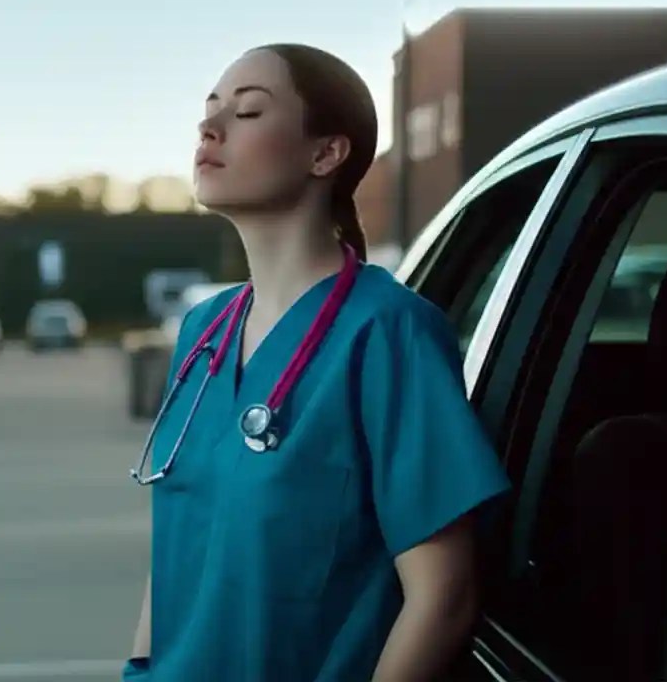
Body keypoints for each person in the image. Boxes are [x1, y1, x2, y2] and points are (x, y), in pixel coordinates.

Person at [122, 44, 511, 681]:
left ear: (325, 154)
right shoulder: (203, 330)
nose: (209, 128)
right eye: (210, 110)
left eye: (248, 113)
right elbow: (179, 542)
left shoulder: (388, 332)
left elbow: (443, 598)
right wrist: (140, 666)